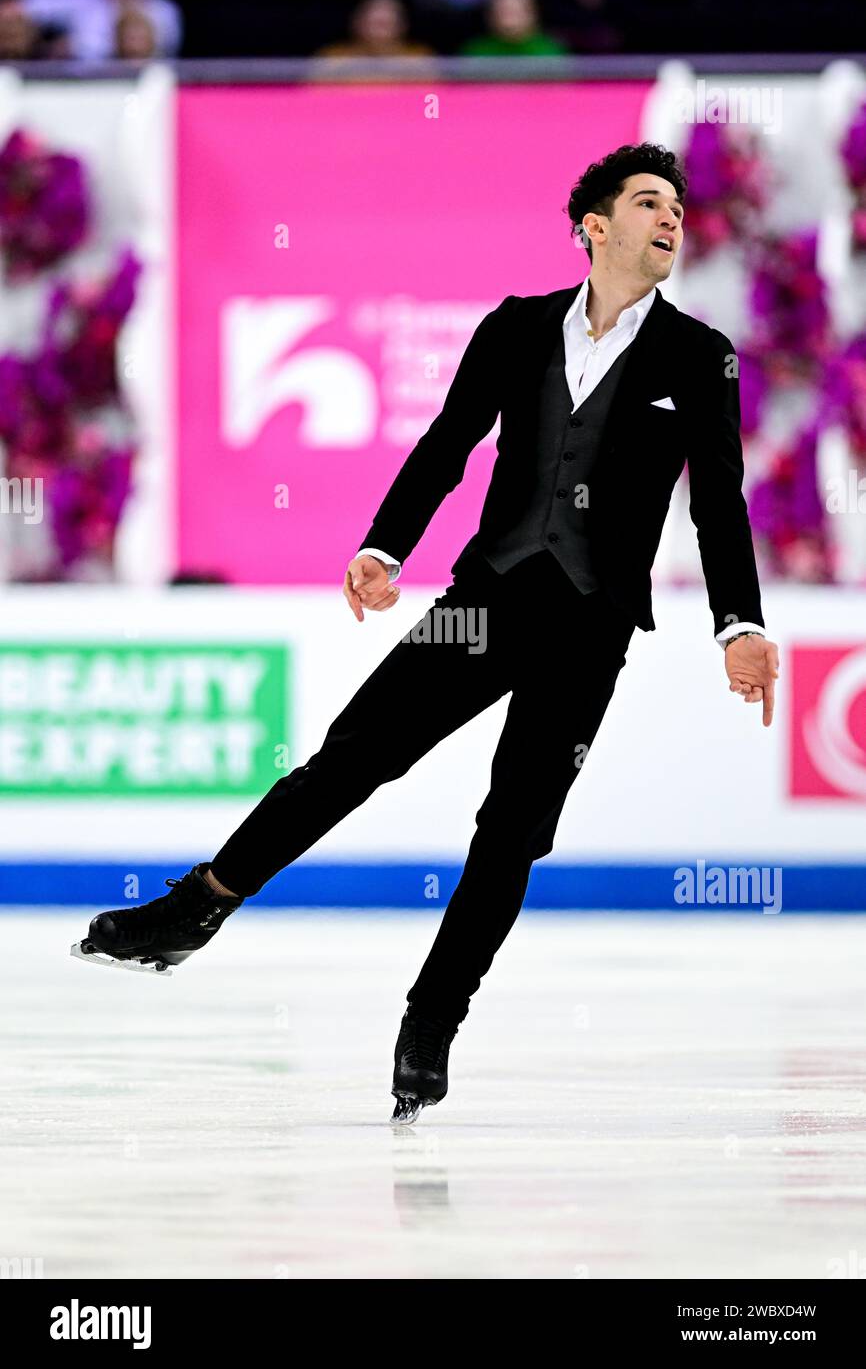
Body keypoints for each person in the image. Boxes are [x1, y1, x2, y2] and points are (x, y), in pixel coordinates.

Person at [73, 142, 780, 1124]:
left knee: (511, 830)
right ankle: (199, 903)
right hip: (487, 597)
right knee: (350, 757)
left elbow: (718, 502)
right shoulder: (515, 328)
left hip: (588, 621)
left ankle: (430, 1021)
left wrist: (736, 624)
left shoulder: (696, 356)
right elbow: (447, 442)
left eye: (676, 206)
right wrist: (384, 546)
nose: (670, 218)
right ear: (594, 225)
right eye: (647, 202)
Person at [16, 0, 181, 60]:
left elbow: (149, 52)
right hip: (87, 88)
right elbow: (34, 3)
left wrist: (76, 45)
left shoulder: (163, 9)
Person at [459, 0, 568, 56]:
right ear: (490, 15)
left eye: (516, 11)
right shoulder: (475, 52)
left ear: (533, 13)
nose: (510, 19)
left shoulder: (551, 51)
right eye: (504, 11)